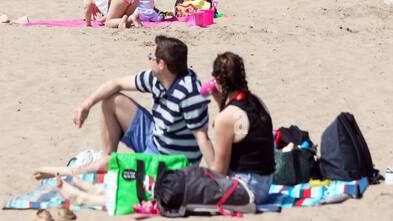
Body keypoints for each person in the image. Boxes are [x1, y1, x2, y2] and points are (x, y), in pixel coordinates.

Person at [44, 35, 210, 177]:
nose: (149, 61)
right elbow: (116, 83)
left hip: (169, 161)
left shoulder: (189, 94)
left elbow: (203, 138)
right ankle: (106, 157)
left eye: (151, 58)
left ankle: (71, 172)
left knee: (110, 165)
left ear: (162, 65)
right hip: (155, 138)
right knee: (111, 101)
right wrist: (85, 105)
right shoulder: (157, 78)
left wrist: (218, 174)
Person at [206, 53, 275, 201]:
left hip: (247, 187)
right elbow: (241, 131)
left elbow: (219, 172)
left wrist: (201, 136)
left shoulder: (225, 118)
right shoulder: (257, 102)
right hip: (265, 183)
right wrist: (221, 104)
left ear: (217, 80)